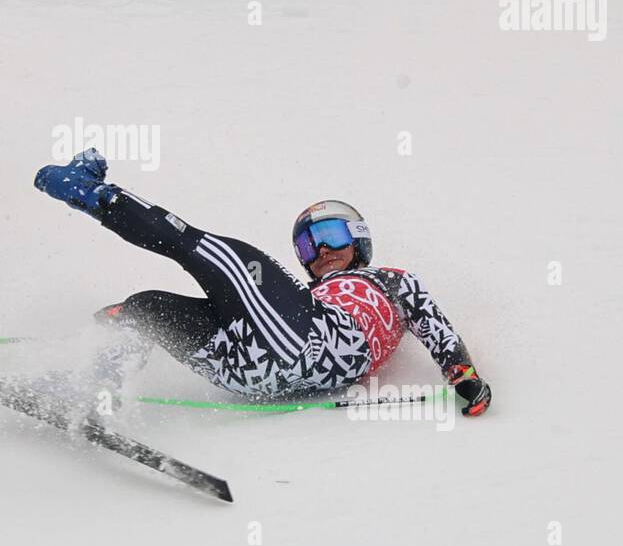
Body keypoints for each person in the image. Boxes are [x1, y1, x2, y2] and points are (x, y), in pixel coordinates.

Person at [34, 149, 492, 416]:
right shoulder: (303, 295)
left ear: (360, 241)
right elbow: (242, 314)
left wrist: (463, 374)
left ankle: (90, 192)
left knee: (224, 255)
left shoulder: (390, 280)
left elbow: (434, 324)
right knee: (148, 306)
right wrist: (125, 319)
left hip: (318, 342)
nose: (323, 251)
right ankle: (95, 390)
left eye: (331, 236)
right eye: (310, 247)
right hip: (250, 373)